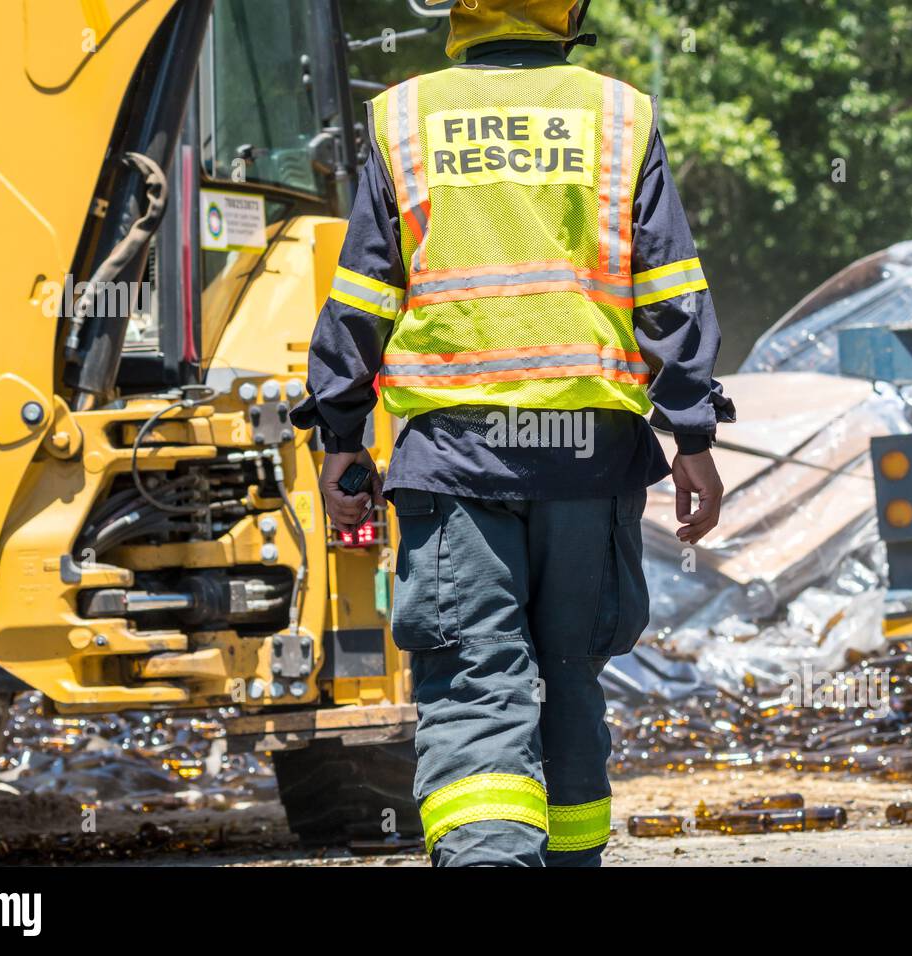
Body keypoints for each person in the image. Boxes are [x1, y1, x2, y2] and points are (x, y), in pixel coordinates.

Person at [290, 0, 734, 866]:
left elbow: (364, 295)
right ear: (567, 10)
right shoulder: (618, 114)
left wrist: (340, 433)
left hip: (456, 462)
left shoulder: (405, 117)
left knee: (473, 682)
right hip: (591, 460)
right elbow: (671, 291)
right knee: (570, 677)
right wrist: (693, 439)